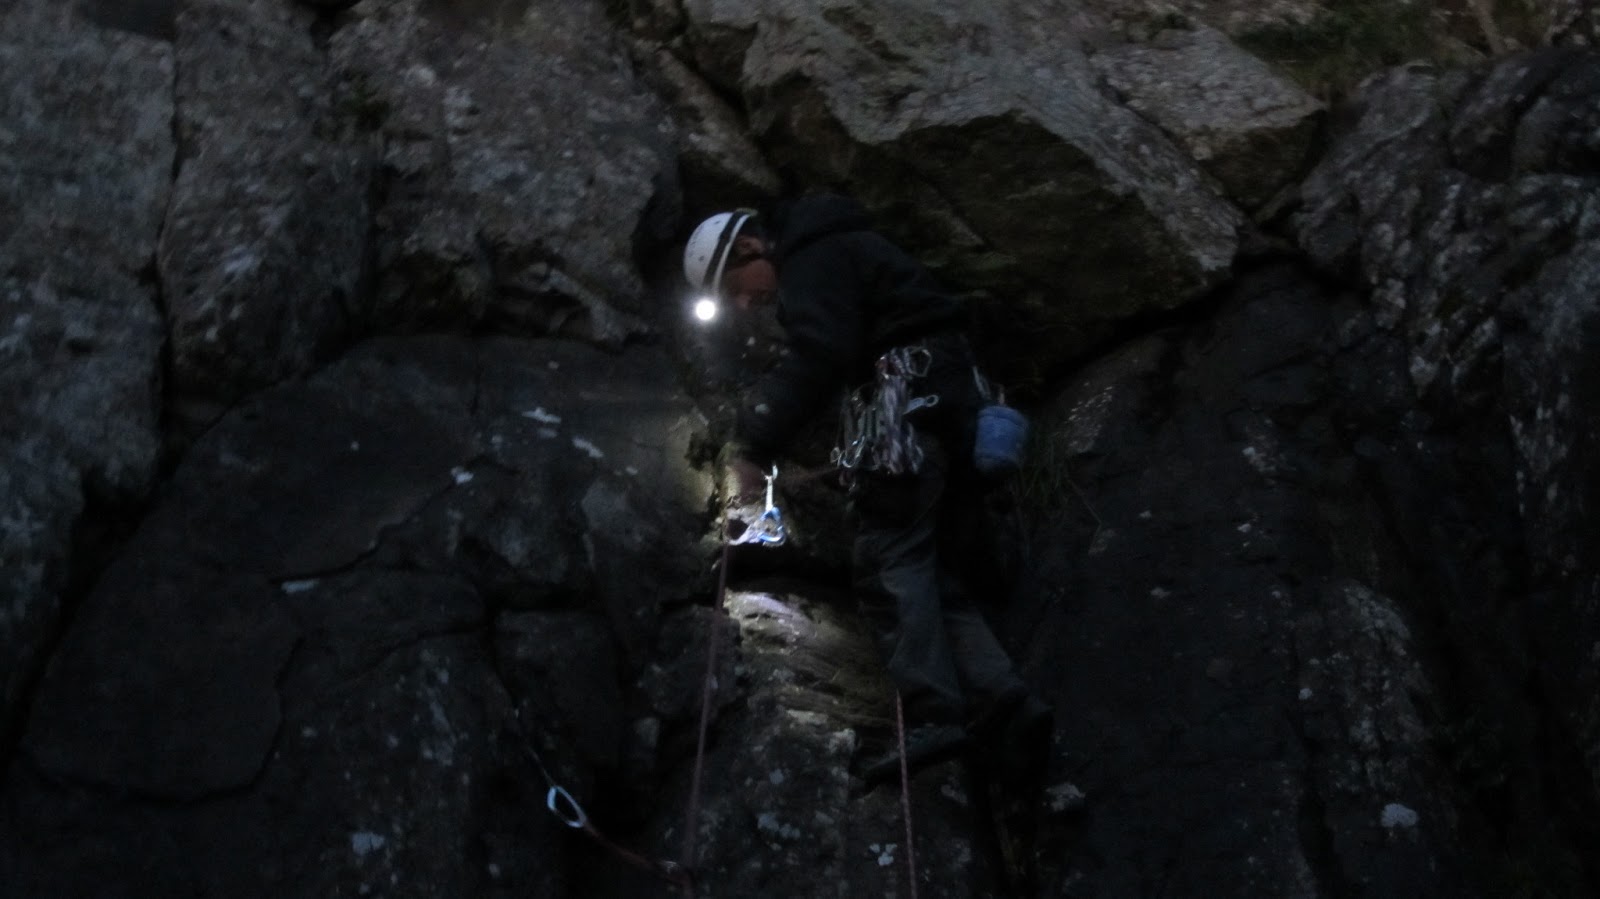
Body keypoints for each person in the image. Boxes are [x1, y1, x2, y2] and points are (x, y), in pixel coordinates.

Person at [682, 193, 1052, 788]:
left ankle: (936, 711)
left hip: (911, 402)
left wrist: (754, 445)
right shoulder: (847, 247)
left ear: (749, 247)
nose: (747, 303)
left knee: (886, 560)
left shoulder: (813, 256)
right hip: (955, 405)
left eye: (736, 289)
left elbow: (820, 351)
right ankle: (1003, 701)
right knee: (934, 572)